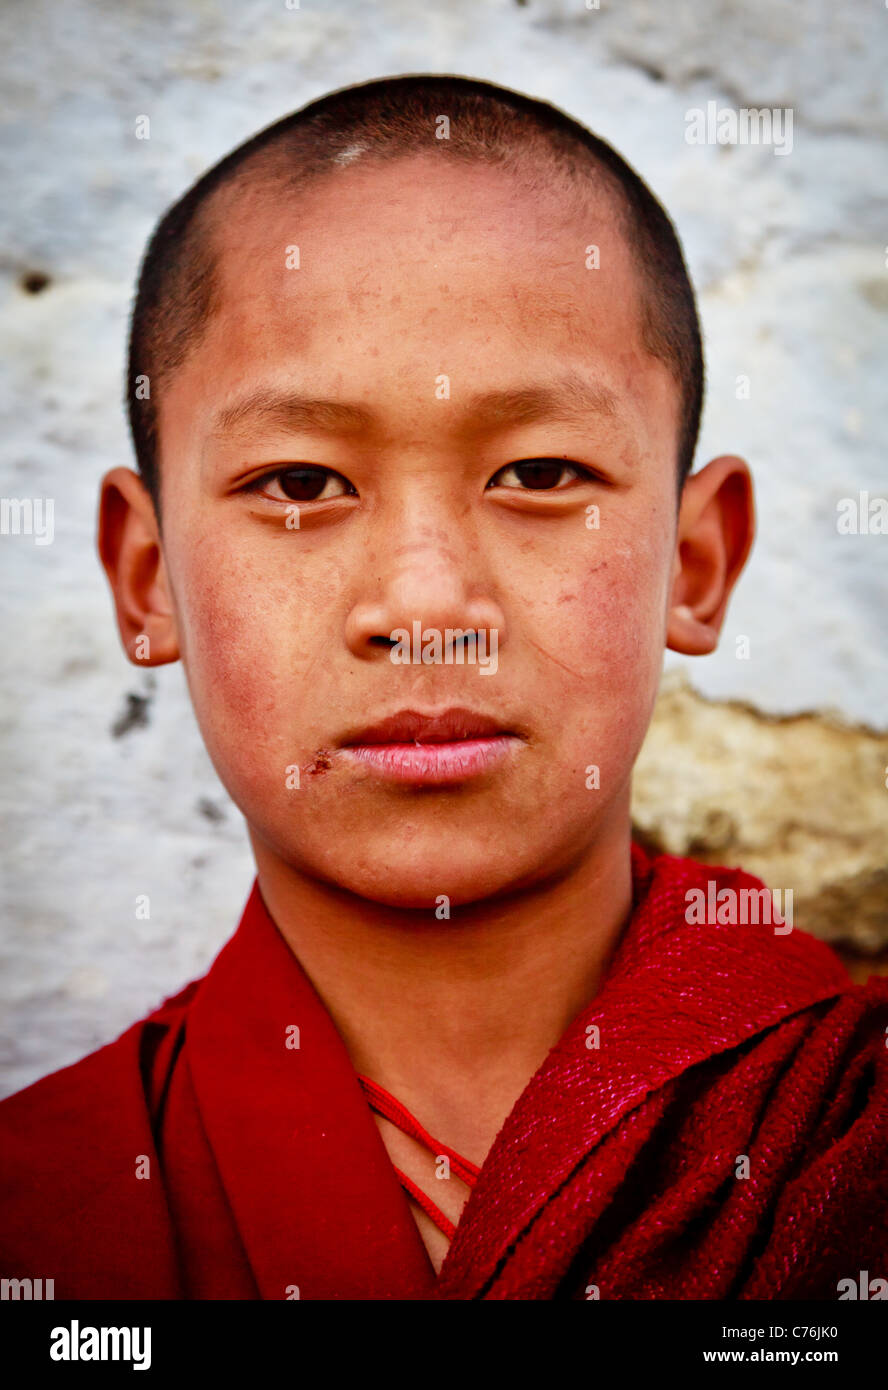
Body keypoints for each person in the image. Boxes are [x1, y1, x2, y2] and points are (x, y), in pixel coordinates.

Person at [1, 74, 885, 1301]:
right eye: (301, 484)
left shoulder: (845, 1138)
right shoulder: (42, 1215)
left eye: (540, 469)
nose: (425, 609)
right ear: (149, 581)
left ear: (697, 563)